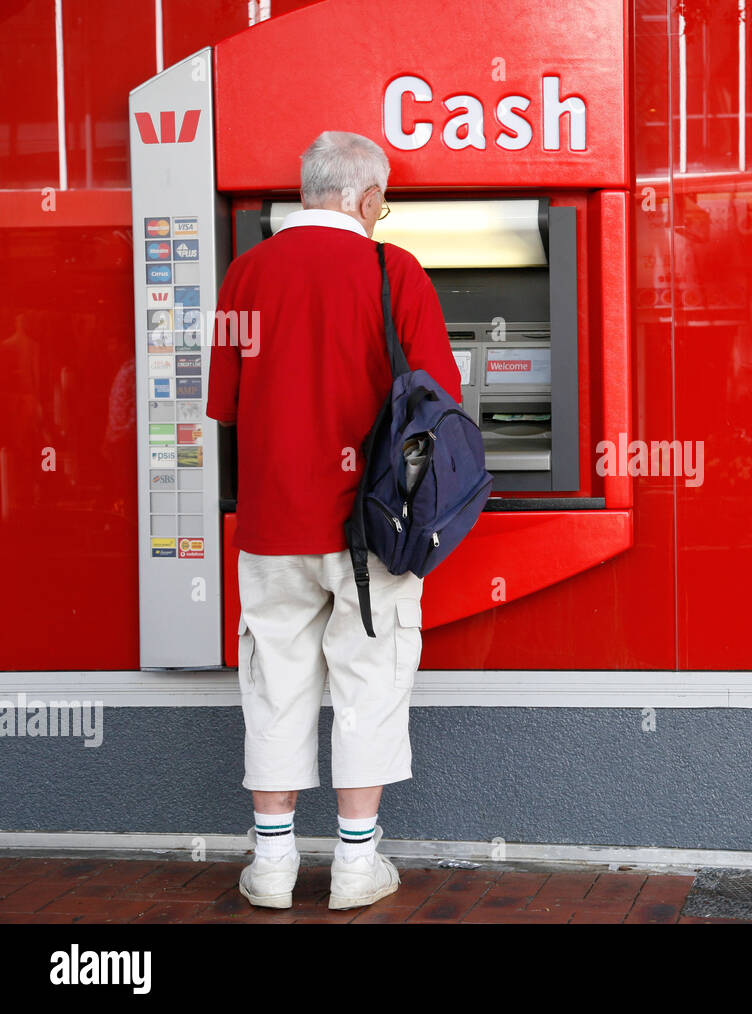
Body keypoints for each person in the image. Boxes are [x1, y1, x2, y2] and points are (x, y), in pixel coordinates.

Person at [205, 131, 462, 910]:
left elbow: (222, 404)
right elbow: (442, 401)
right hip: (373, 531)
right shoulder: (396, 270)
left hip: (273, 525)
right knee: (368, 684)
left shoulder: (245, 272)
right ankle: (356, 867)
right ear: (369, 198)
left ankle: (273, 869)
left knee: (275, 686)